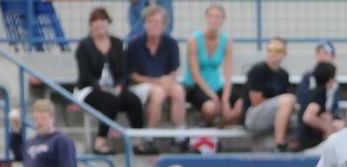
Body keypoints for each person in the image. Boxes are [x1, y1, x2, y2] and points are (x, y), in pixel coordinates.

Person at [74, 7, 146, 156]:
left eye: (103, 20)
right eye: (96, 20)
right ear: (91, 24)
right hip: (90, 89)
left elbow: (123, 72)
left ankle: (137, 140)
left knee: (133, 100)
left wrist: (120, 85)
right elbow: (85, 75)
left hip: (114, 88)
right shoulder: (84, 46)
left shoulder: (117, 44)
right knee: (110, 100)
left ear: (108, 23)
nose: (100, 24)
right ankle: (100, 141)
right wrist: (100, 88)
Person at [126, 5, 186, 151]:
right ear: (144, 24)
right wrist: (157, 82)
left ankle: (179, 137)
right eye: (150, 21)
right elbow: (132, 76)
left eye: (157, 22)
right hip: (140, 85)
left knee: (178, 91)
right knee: (157, 92)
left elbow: (173, 72)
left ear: (164, 25)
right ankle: (149, 137)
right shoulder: (134, 45)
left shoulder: (171, 43)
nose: (154, 25)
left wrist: (166, 82)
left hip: (164, 82)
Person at [183, 4, 243, 127]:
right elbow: (195, 74)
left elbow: (228, 73)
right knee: (210, 107)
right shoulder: (194, 39)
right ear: (206, 18)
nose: (213, 20)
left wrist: (225, 99)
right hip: (196, 86)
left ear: (222, 20)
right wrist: (214, 96)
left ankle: (220, 127)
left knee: (241, 104)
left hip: (216, 84)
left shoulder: (226, 41)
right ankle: (209, 126)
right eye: (211, 16)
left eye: (217, 17)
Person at [9, 100, 78, 167]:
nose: (39, 122)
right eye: (36, 119)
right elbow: (19, 154)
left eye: (43, 119)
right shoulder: (31, 142)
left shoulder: (61, 140)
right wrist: (16, 130)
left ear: (52, 119)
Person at [244, 37, 296, 152]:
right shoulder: (257, 70)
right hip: (253, 116)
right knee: (288, 100)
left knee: (297, 118)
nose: (274, 52)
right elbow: (256, 102)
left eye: (278, 49)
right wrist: (281, 106)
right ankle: (279, 144)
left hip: (271, 116)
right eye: (271, 48)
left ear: (285, 53)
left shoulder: (284, 74)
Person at [300, 62, 345, 151]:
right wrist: (327, 127)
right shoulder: (319, 93)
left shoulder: (315, 91)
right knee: (338, 127)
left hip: (311, 139)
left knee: (338, 124)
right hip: (311, 143)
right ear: (330, 79)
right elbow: (308, 117)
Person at [296, 41, 341, 121]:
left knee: (339, 124)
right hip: (309, 116)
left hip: (327, 117)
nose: (322, 56)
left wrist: (333, 115)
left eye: (325, 53)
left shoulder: (334, 82)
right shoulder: (308, 76)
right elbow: (301, 99)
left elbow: (335, 105)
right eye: (319, 53)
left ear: (333, 56)